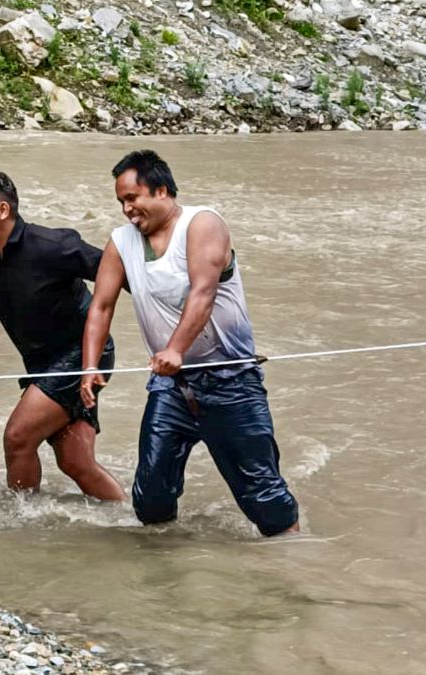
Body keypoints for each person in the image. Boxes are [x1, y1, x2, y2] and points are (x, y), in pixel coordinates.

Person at [81, 150, 299, 536]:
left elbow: (204, 292)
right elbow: (101, 306)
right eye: (121, 202)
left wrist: (176, 349)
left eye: (133, 198)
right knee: (150, 498)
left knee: (265, 502)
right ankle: (168, 577)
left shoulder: (203, 224)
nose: (127, 210)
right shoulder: (121, 242)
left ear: (162, 190)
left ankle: (294, 560)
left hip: (231, 381)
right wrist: (90, 366)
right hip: (172, 387)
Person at [0, 168, 124, 500]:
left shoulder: (55, 246)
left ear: (3, 210)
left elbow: (120, 273)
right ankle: (134, 519)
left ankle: (23, 519)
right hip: (41, 364)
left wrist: (175, 318)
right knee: (76, 462)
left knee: (18, 437)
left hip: (85, 354)